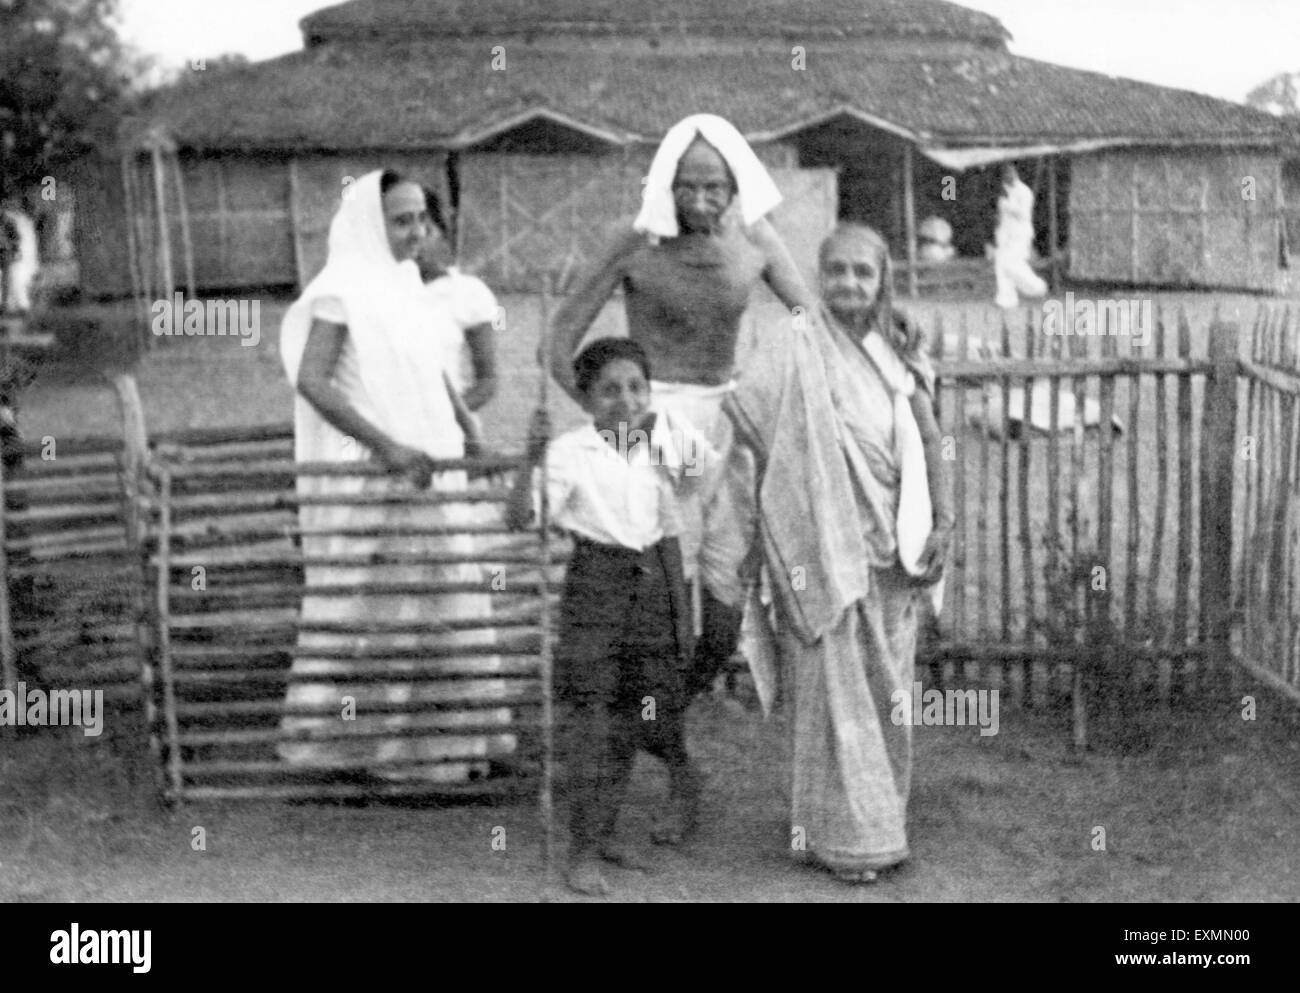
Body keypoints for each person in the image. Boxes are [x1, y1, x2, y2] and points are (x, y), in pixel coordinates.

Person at [703, 223, 953, 883]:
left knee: (887, 695)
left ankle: (878, 820)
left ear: (882, 280)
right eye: (835, 271)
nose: (848, 283)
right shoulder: (796, 343)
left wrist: (945, 519)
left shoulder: (899, 349)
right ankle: (842, 838)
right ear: (819, 276)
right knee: (830, 698)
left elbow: (930, 439)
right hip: (821, 549)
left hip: (891, 554)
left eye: (861, 273)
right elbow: (750, 414)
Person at [549, 112, 818, 695]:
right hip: (654, 419)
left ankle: (678, 700)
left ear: (735, 185)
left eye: (713, 186)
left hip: (727, 420)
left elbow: (811, 320)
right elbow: (557, 346)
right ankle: (633, 712)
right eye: (686, 185)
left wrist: (881, 326)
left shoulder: (756, 237)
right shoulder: (634, 241)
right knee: (657, 576)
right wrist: (617, 429)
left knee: (728, 580)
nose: (699, 199)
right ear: (665, 183)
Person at [277, 168, 512, 786]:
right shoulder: (341, 290)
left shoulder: (407, 286)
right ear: (368, 224)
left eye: (421, 219)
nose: (416, 232)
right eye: (400, 220)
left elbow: (436, 375)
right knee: (382, 613)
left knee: (442, 606)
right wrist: (386, 447)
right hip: (378, 477)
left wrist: (470, 434)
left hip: (432, 468)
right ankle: (368, 753)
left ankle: (447, 749)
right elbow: (313, 380)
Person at [508, 337, 716, 896]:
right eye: (609, 390)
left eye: (636, 388)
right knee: (592, 719)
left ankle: (603, 835)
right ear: (584, 397)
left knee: (635, 713)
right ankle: (581, 850)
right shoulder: (570, 451)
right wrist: (531, 456)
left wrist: (667, 431)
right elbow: (522, 518)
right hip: (596, 586)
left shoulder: (660, 437)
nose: (625, 401)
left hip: (652, 583)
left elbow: (699, 480)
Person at [415, 185, 498, 451]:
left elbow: (487, 381)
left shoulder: (467, 293)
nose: (415, 240)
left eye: (427, 230)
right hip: (382, 433)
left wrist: (443, 414)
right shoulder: (371, 292)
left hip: (450, 431)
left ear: (442, 235)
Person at [992, 164, 1048, 308]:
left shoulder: (1024, 191)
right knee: (1001, 265)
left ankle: (1037, 287)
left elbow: (1024, 215)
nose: (1006, 177)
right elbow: (1002, 216)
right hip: (1006, 235)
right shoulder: (1005, 191)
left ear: (1014, 174)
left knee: (1012, 264)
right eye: (1004, 175)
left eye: (1009, 174)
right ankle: (1006, 299)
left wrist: (1007, 206)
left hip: (1020, 234)